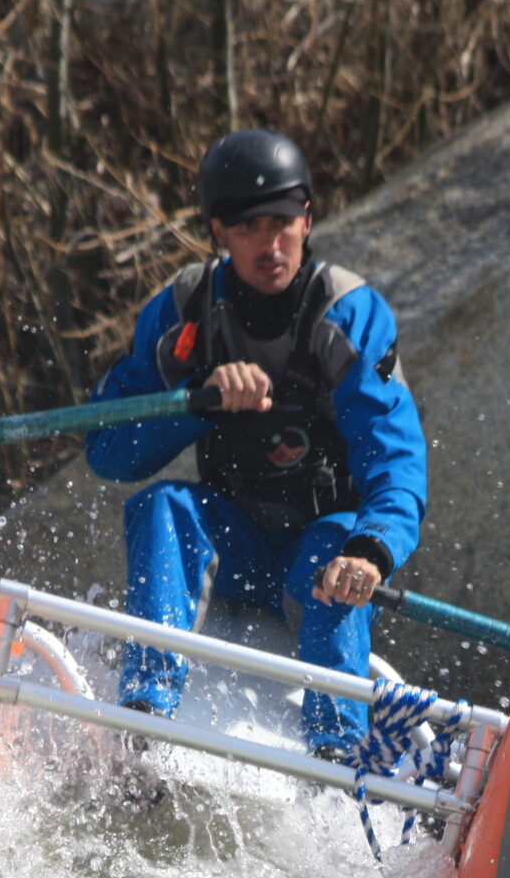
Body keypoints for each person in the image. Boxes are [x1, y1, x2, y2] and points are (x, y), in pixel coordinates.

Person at [84, 129, 426, 759]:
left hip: (319, 549)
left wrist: (372, 550)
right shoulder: (184, 312)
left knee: (338, 558)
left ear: (308, 219)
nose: (270, 246)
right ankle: (142, 723)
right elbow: (107, 451)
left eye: (282, 223)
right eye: (248, 229)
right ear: (219, 232)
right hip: (232, 539)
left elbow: (396, 458)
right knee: (163, 506)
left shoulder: (349, 315)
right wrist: (195, 399)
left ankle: (336, 756)